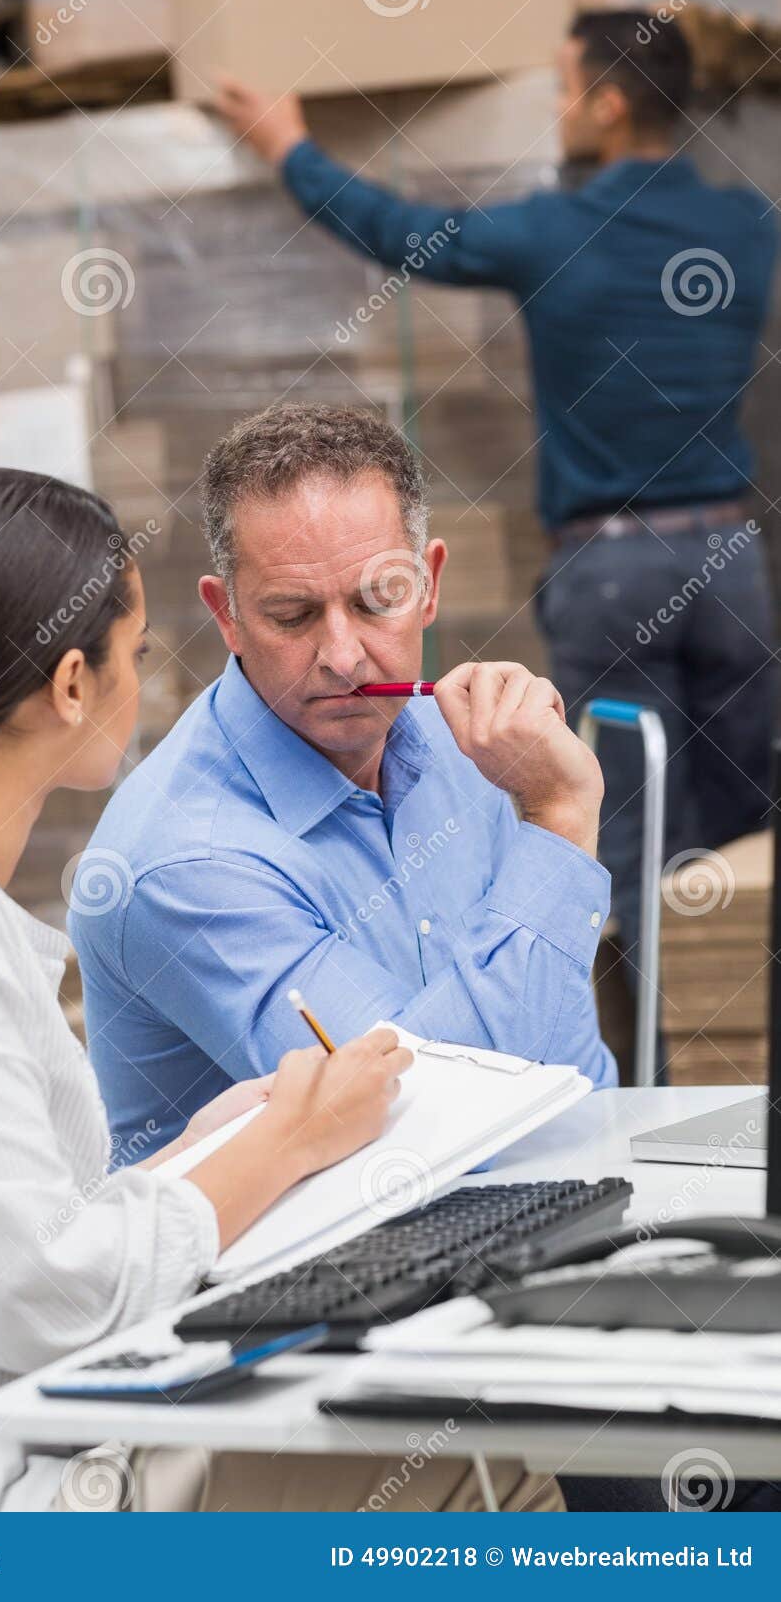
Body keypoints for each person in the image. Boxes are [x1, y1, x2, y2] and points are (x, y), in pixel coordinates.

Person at [0, 466, 555, 1514]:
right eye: (136, 652)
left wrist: (207, 1140)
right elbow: (48, 1298)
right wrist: (286, 1142)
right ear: (72, 683)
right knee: (485, 1472)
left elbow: (4, 1229)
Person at [214, 10, 780, 995]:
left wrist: (290, 149)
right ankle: (736, 1062)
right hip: (732, 563)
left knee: (626, 837)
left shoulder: (551, 232)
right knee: (742, 845)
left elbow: (400, 235)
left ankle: (653, 1059)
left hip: (609, 568)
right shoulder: (743, 227)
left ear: (606, 104)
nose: (555, 108)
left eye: (563, 89)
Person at [73, 402, 616, 1159]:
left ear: (427, 586)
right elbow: (418, 1120)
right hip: (320, 1258)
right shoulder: (182, 861)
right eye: (292, 615)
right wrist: (556, 820)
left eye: (375, 602)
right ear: (225, 615)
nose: (344, 657)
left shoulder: (470, 746)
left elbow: (572, 1063)